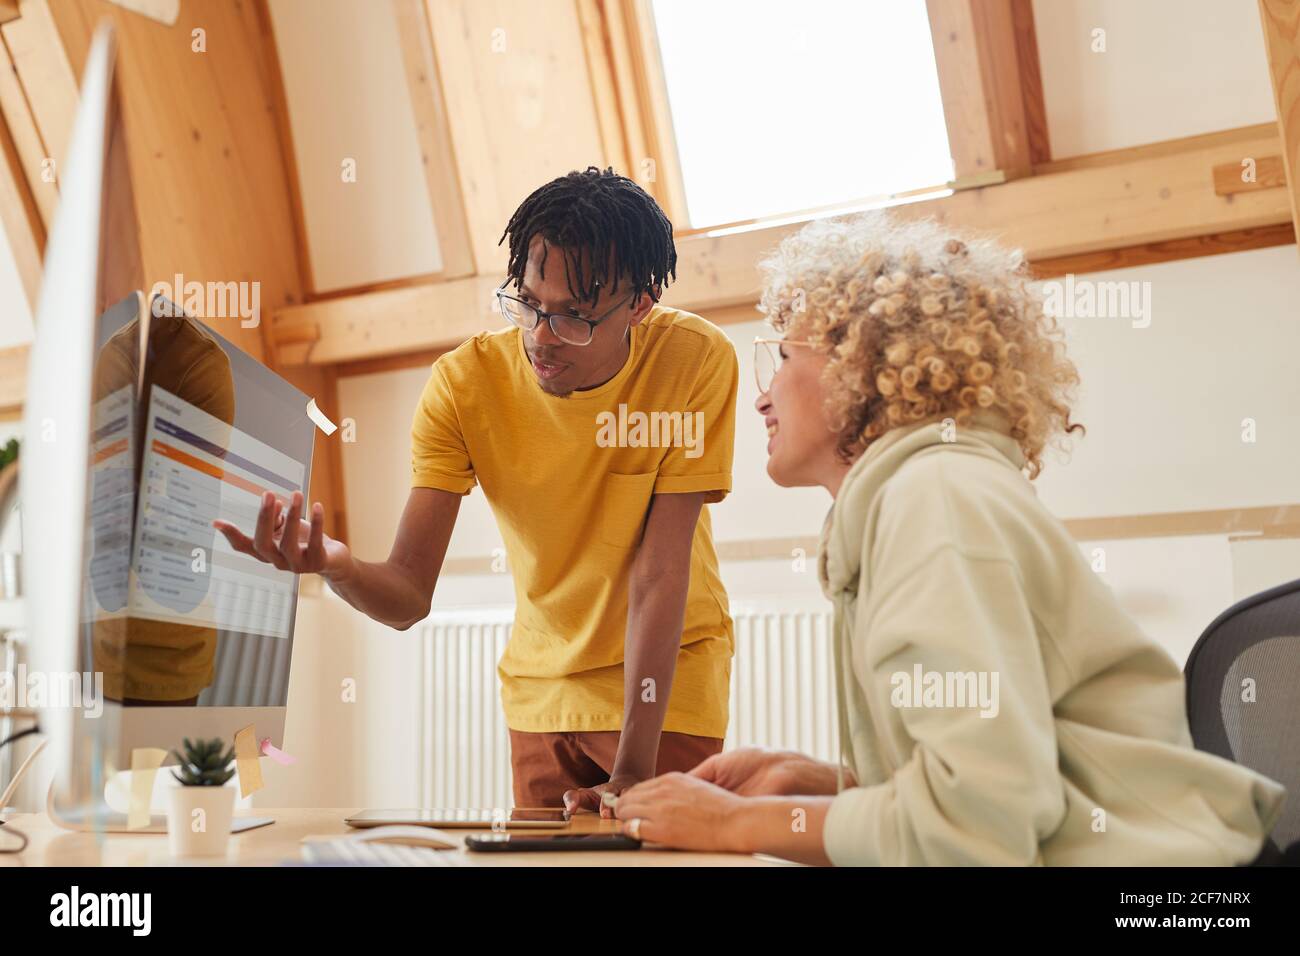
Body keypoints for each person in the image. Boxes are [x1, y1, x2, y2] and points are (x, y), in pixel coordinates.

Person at [613, 212, 1285, 865]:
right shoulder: (917, 498)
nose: (762, 398)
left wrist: (736, 824)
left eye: (784, 356)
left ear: (859, 364)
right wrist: (818, 788)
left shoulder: (931, 504)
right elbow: (991, 802)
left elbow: (980, 834)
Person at [215, 167, 738, 813]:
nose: (542, 337)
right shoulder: (465, 386)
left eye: (575, 318)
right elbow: (407, 599)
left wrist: (633, 769)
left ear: (640, 305)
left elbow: (660, 574)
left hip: (667, 688)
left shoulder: (693, 360)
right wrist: (338, 566)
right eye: (528, 304)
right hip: (538, 690)